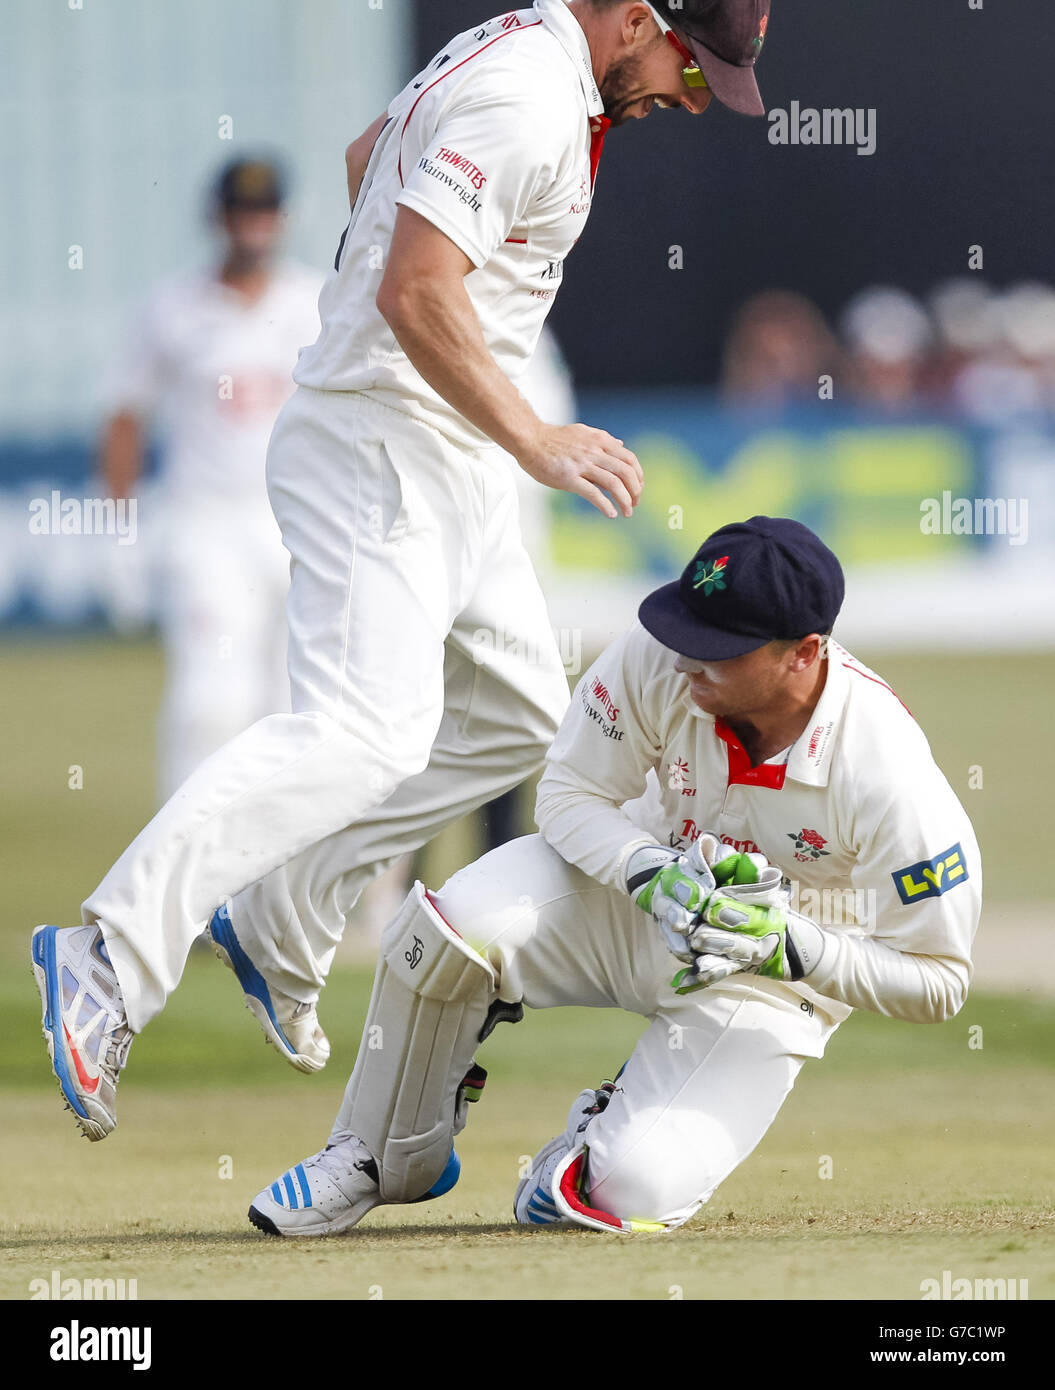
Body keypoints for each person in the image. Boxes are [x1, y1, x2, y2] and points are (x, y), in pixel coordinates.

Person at [32, 0, 773, 1142]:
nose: (685, 96)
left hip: (446, 450)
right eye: (688, 65)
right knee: (361, 732)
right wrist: (527, 433)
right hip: (380, 443)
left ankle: (279, 918)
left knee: (521, 716)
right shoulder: (526, 93)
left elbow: (366, 159)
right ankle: (106, 955)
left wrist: (459, 394)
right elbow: (414, 288)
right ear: (635, 20)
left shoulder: (527, 55)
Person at [247, 516, 981, 1237]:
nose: (687, 661)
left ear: (804, 652)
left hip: (772, 979)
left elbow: (939, 982)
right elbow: (566, 797)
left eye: (718, 651)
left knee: (628, 1193)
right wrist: (649, 872)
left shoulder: (886, 772)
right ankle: (386, 1154)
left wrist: (787, 945)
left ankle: (593, 1147)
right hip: (627, 899)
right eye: (688, 632)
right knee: (451, 927)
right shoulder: (662, 657)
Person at [101, 158, 324, 800]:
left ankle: (270, 887)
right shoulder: (173, 307)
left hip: (297, 523)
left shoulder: (313, 302)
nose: (251, 227)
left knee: (290, 707)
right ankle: (182, 881)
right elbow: (124, 414)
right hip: (209, 524)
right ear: (217, 218)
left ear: (282, 218)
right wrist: (120, 531)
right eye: (239, 213)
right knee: (210, 704)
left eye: (263, 213)